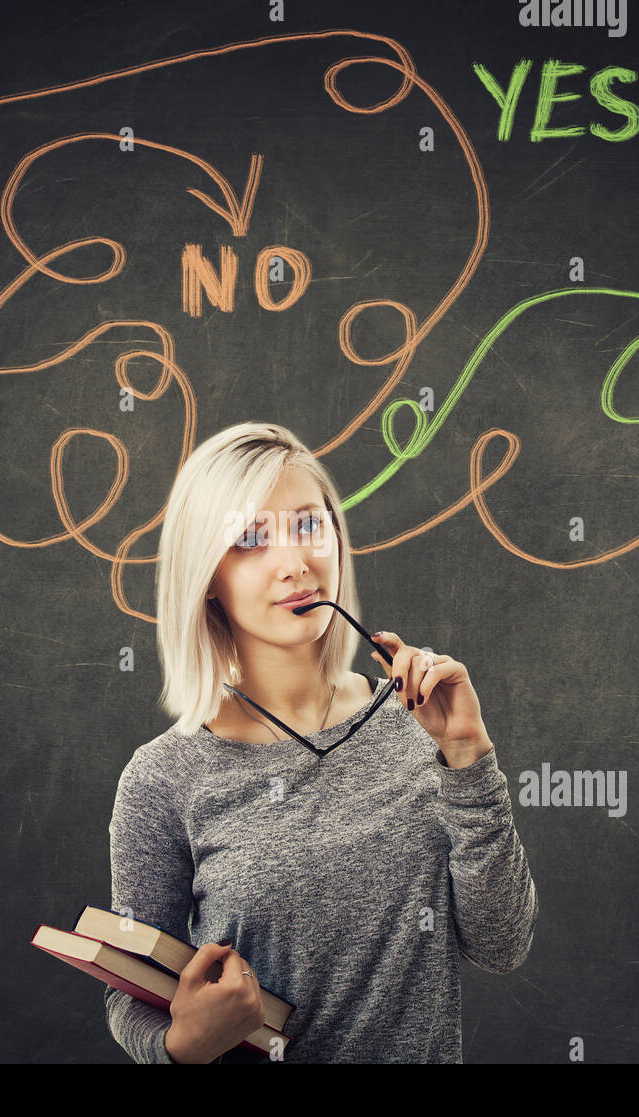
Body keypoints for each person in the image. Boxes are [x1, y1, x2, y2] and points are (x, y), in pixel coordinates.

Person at [104, 422, 539, 1063]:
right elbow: (129, 998)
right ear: (207, 578)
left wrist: (468, 759)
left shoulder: (419, 720)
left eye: (309, 525)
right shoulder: (164, 779)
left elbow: (502, 944)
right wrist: (180, 1046)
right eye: (250, 540)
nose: (295, 562)